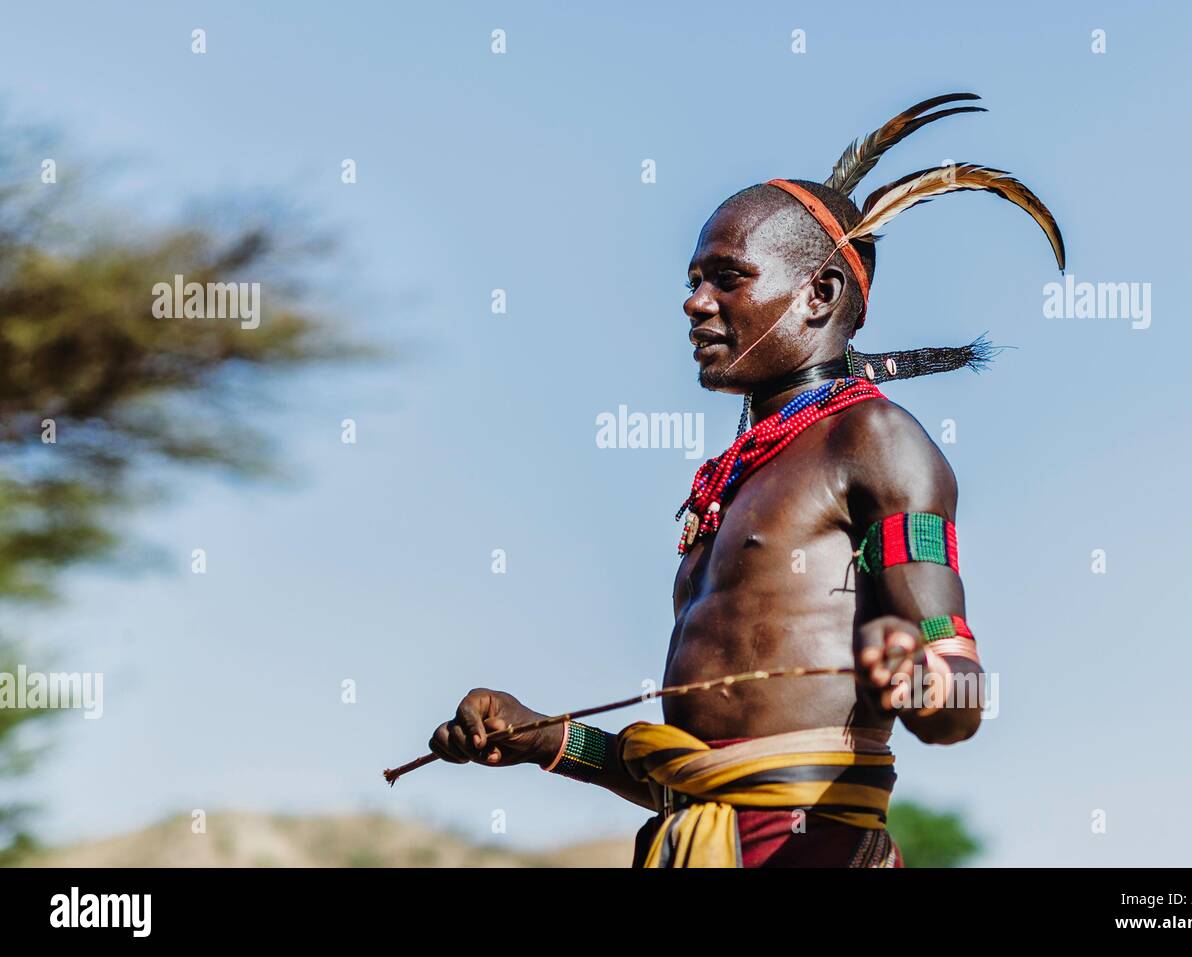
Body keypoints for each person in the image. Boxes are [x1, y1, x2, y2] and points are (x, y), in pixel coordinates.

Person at [427, 93, 1064, 867]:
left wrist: (921, 675)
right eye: (695, 280)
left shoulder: (877, 441)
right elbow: (692, 774)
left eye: (728, 278)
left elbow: (961, 696)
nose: (695, 303)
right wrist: (548, 737)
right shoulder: (729, 483)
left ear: (819, 295)